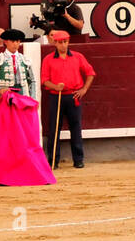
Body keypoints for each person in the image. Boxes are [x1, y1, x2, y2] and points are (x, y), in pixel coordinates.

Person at [0, 29, 53, 187]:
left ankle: (37, 174)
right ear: (5, 42)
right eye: (13, 41)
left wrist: (32, 101)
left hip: (24, 104)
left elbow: (32, 82)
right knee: (8, 142)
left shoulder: (25, 60)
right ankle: (6, 177)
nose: (16, 44)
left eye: (18, 41)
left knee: (30, 140)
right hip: (7, 105)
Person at [40, 29, 96, 171]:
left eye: (65, 42)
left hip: (73, 96)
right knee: (54, 129)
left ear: (68, 41)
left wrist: (83, 90)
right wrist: (55, 87)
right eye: (60, 42)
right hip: (56, 96)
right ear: (55, 43)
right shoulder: (48, 59)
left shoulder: (77, 57)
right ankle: (53, 161)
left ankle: (78, 160)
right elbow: (44, 80)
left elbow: (90, 73)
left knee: (76, 128)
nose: (63, 45)